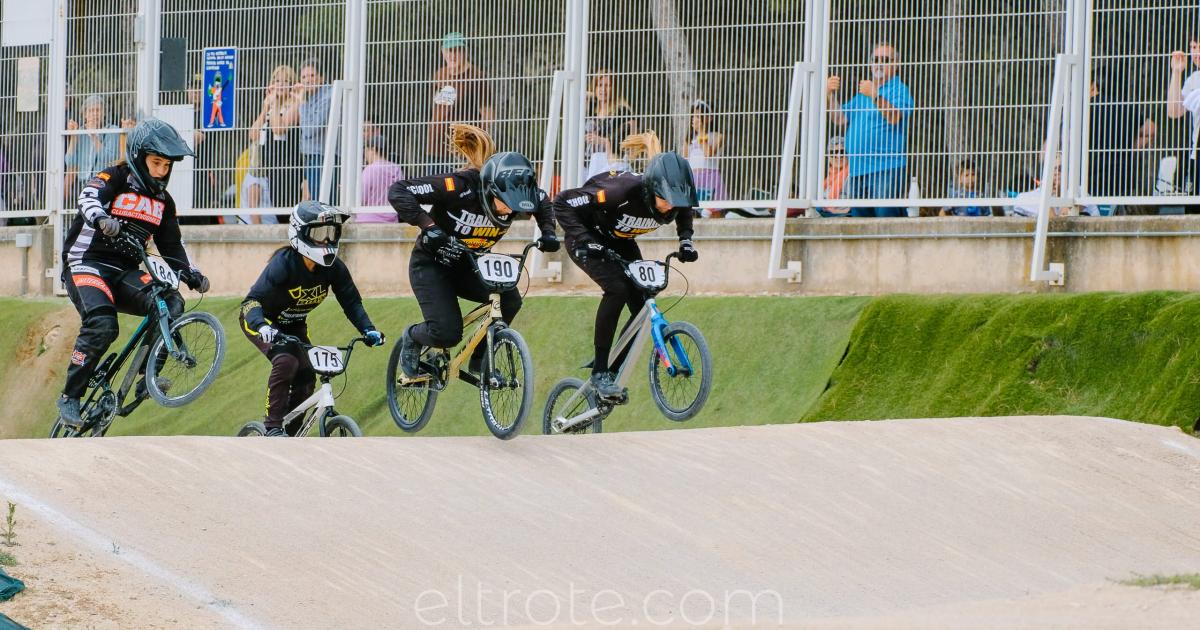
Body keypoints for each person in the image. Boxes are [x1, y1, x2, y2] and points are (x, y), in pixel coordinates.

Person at [56, 119, 211, 428]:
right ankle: (70, 396)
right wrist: (101, 218)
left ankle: (148, 377)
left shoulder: (164, 203)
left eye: (167, 165)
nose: (161, 171)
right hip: (86, 263)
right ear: (139, 157)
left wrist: (190, 273)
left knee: (170, 302)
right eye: (156, 163)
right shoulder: (115, 177)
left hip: (125, 271)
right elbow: (87, 197)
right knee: (102, 324)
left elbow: (172, 246)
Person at [389, 124, 559, 378]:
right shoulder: (457, 186)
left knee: (510, 300)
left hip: (470, 264)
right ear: (491, 190)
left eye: (515, 207)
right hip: (432, 265)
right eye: (505, 204)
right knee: (447, 334)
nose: (508, 212)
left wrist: (548, 232)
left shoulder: (525, 192)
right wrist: (429, 227)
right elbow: (399, 191)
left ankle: (481, 361)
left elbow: (544, 202)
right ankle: (413, 338)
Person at [553, 135, 699, 399]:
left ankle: (613, 369)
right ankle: (599, 371)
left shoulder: (676, 201)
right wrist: (585, 240)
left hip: (620, 239)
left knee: (643, 305)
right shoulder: (619, 191)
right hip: (586, 237)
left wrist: (686, 240)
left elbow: (685, 209)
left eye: (676, 202)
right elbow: (562, 202)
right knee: (617, 289)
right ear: (650, 190)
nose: (671, 208)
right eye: (665, 201)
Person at [240, 200, 385, 437]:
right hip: (262, 321)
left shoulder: (335, 269)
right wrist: (261, 325)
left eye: (332, 233)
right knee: (286, 361)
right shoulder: (283, 264)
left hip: (294, 325)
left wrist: (368, 329)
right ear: (300, 234)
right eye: (319, 234)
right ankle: (273, 427)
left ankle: (293, 434)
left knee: (307, 376)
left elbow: (352, 303)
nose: (327, 241)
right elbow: (250, 302)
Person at [826, 41, 915, 217]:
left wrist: (875, 95)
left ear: (896, 65)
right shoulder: (863, 95)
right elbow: (839, 118)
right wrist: (829, 94)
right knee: (860, 226)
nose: (879, 63)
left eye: (885, 59)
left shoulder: (899, 89)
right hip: (858, 169)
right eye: (875, 59)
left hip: (886, 168)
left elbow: (894, 117)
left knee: (885, 223)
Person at [426, 32, 495, 175]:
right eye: (449, 51)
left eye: (457, 50)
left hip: (462, 148)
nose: (452, 55)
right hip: (435, 146)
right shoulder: (439, 74)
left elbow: (488, 114)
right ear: (443, 52)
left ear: (465, 51)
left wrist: (477, 149)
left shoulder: (476, 76)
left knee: (458, 193)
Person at [249, 64, 303, 215]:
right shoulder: (270, 106)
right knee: (277, 207)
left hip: (290, 165)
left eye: (285, 81)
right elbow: (253, 134)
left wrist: (274, 104)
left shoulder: (296, 103)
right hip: (272, 166)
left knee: (289, 208)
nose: (280, 85)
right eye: (277, 80)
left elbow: (279, 128)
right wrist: (265, 109)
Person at [64, 95, 135, 203]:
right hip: (82, 185)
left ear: (104, 113)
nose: (94, 114)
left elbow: (109, 159)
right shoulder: (81, 132)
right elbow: (70, 162)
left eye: (98, 110)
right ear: (85, 115)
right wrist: (73, 137)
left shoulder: (112, 131)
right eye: (91, 111)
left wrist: (94, 137)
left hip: (104, 184)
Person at [295, 58, 336, 203]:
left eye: (312, 76)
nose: (308, 80)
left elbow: (309, 130)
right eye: (304, 77)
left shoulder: (328, 96)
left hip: (323, 159)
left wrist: (300, 102)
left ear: (321, 77)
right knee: (317, 202)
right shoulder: (310, 98)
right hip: (312, 158)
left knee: (323, 203)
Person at [584, 70, 637, 180]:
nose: (603, 89)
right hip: (587, 165)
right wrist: (592, 94)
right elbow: (578, 94)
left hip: (611, 164)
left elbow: (630, 143)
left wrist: (602, 141)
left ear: (615, 89)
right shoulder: (592, 111)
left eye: (608, 86)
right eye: (600, 85)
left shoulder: (622, 111)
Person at [681, 99, 727, 215]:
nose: (694, 119)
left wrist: (701, 132)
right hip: (694, 179)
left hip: (711, 179)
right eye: (693, 116)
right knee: (692, 214)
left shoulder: (717, 136)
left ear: (709, 118)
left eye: (698, 116)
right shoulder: (689, 140)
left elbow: (708, 154)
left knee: (711, 213)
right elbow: (684, 161)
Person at [1167, 40, 1200, 201]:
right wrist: (1177, 72)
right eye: (1194, 47)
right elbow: (1174, 112)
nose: (1196, 52)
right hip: (1197, 154)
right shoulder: (1194, 79)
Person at [357, 136, 404, 223]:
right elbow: (400, 194)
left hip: (368, 219)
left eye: (366, 150)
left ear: (373, 149)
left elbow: (361, 198)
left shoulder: (369, 170)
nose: (365, 155)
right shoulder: (396, 168)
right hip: (392, 220)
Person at [814, 136, 850, 217]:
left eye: (842, 151)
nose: (838, 156)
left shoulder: (851, 176)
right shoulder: (828, 178)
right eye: (833, 152)